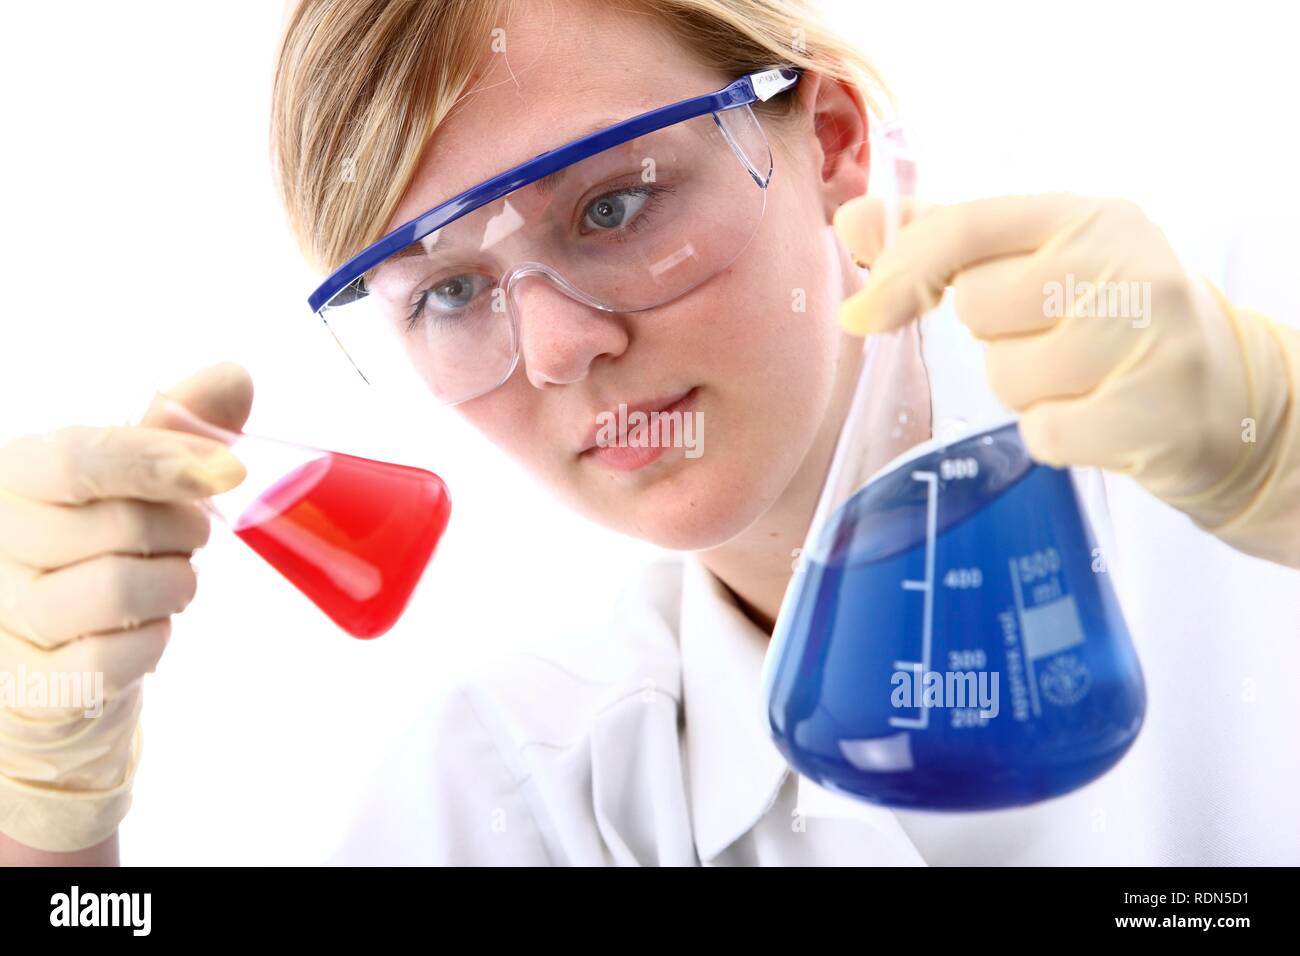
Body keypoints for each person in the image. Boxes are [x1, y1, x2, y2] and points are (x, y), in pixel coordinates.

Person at [1, 0, 1297, 866]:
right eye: (449, 291)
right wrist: (44, 843)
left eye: (615, 205)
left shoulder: (1247, 337)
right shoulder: (507, 793)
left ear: (833, 141)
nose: (562, 348)